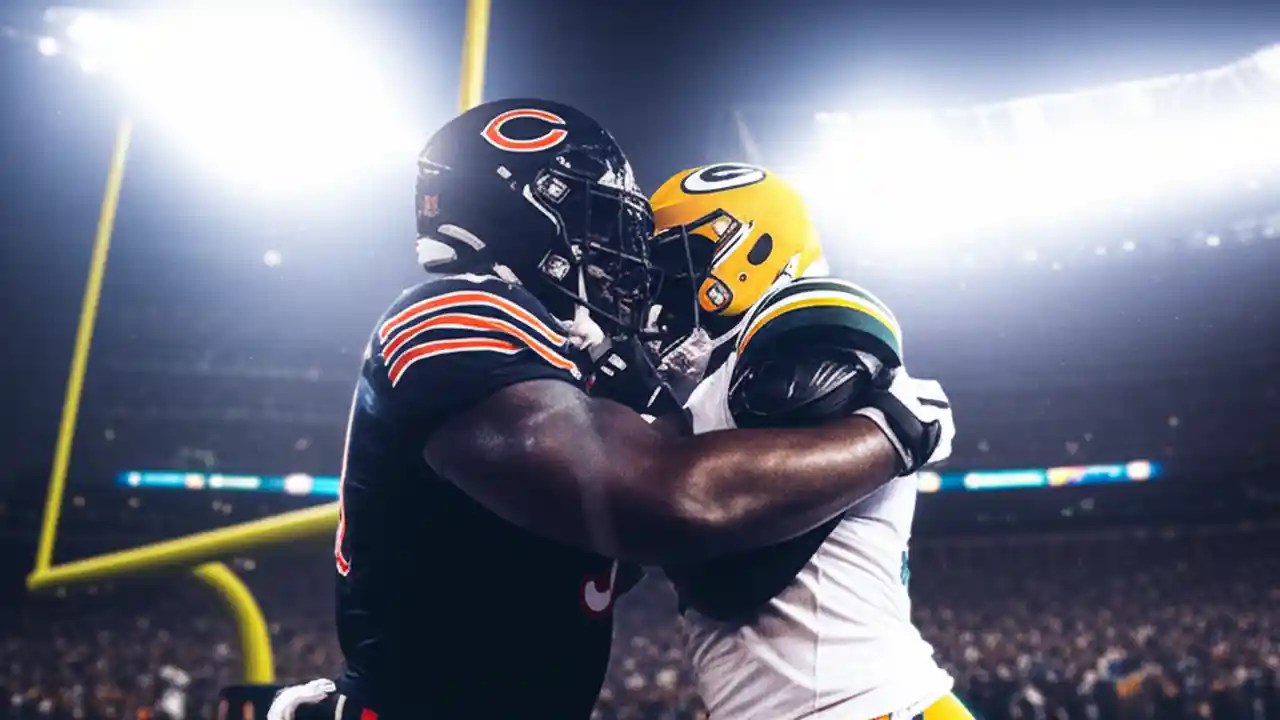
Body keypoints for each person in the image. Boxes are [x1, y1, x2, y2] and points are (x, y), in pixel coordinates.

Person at [268, 103, 952, 719]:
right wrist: (893, 430)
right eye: (600, 221)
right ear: (528, 211)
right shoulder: (458, 307)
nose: (624, 261)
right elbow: (669, 503)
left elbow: (616, 550)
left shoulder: (577, 366)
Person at [647, 163, 974, 719]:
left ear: (752, 250)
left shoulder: (800, 335)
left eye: (678, 267)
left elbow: (730, 582)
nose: (659, 293)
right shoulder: (710, 384)